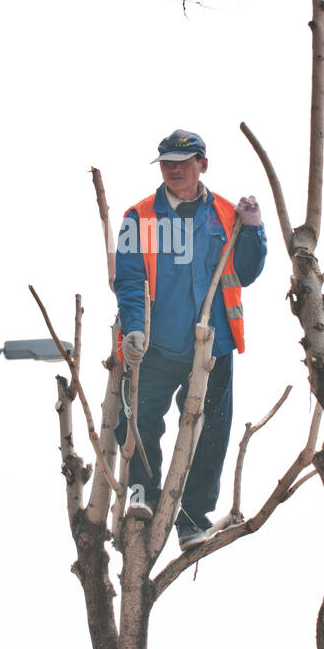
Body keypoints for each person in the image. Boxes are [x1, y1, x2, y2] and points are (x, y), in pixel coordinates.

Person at [114, 129, 267, 552]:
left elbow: (248, 273)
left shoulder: (223, 213)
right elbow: (127, 277)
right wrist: (133, 328)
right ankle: (142, 492)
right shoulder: (138, 216)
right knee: (137, 420)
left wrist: (253, 229)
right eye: (167, 162)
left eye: (183, 162)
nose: (174, 169)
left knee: (210, 432)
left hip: (210, 346)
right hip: (156, 343)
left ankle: (191, 517)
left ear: (202, 164)